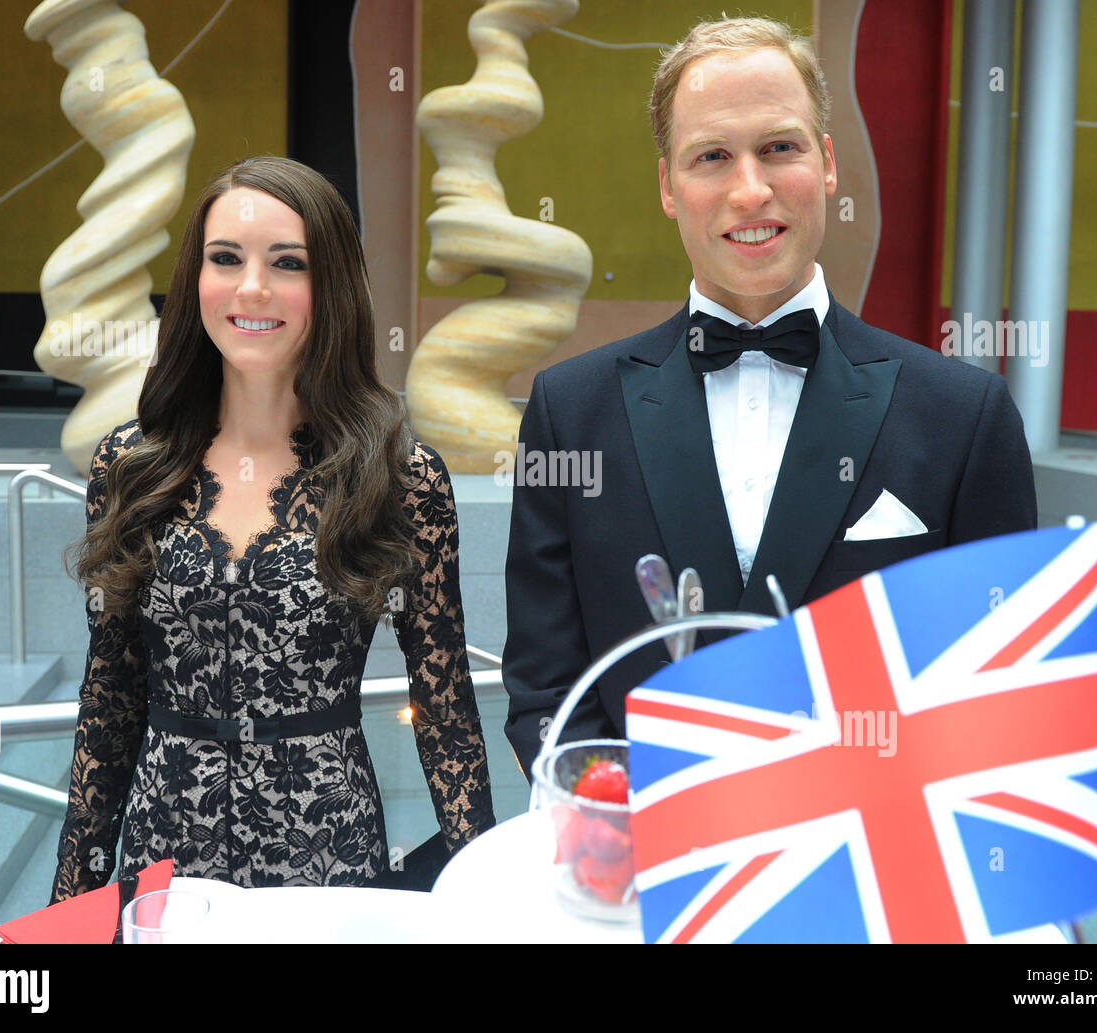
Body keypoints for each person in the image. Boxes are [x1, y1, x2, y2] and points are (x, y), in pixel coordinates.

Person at [502, 17, 1037, 775]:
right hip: (645, 867)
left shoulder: (964, 415)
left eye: (778, 148)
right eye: (711, 156)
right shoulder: (569, 413)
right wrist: (610, 808)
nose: (749, 190)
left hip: (869, 866)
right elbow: (547, 683)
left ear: (826, 163)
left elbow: (999, 686)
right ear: (667, 186)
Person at [50, 156, 495, 900]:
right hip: (165, 860)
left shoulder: (401, 477)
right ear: (196, 279)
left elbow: (445, 711)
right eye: (226, 258)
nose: (251, 287)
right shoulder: (129, 464)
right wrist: (71, 895)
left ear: (331, 288)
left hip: (327, 856)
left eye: (287, 263)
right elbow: (111, 698)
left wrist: (486, 894)